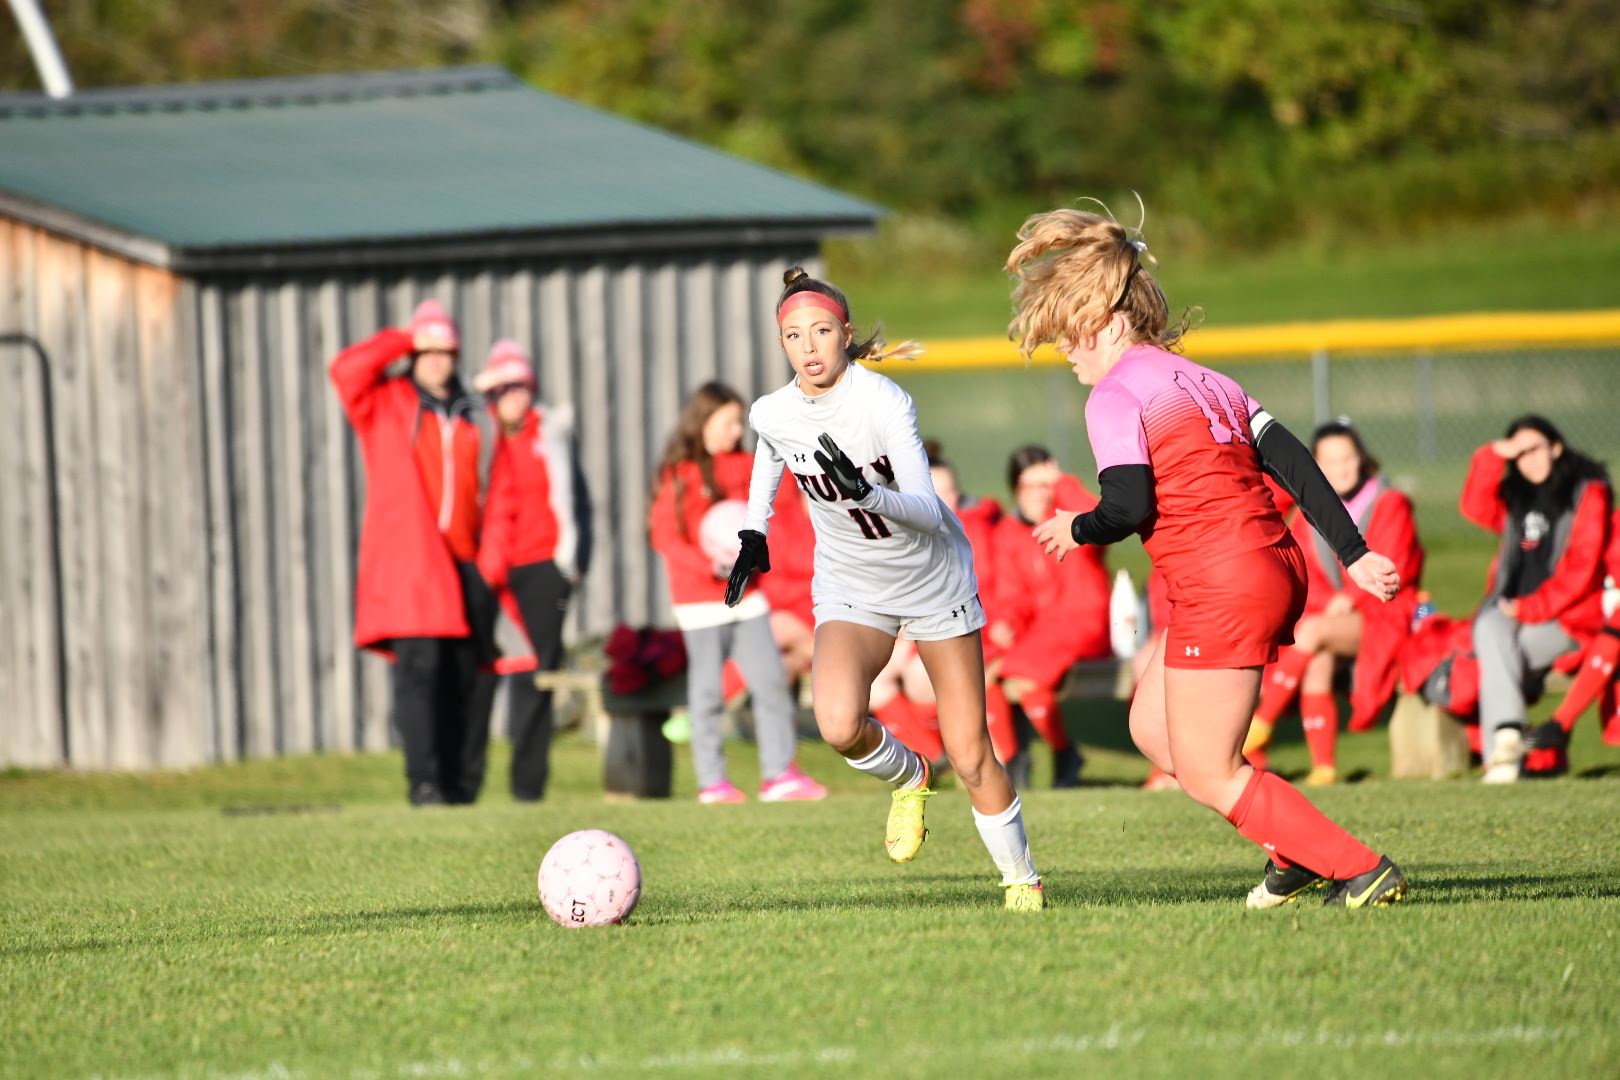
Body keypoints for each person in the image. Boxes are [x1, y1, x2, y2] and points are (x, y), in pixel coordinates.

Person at [1011, 204, 1407, 909]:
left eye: (1069, 334)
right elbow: (1291, 458)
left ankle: (1359, 868)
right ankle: (1294, 851)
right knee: (1151, 727)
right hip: (1264, 564)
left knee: (1206, 770)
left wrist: (1077, 529)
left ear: (1104, 321)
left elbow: (1126, 504)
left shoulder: (1114, 395)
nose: (1067, 351)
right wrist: (1351, 550)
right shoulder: (1204, 378)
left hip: (1221, 577)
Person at [726, 266, 1045, 911]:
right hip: (852, 585)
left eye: (821, 330)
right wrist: (754, 530)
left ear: (846, 335)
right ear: (781, 344)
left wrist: (868, 493)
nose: (809, 346)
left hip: (932, 580)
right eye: (793, 336)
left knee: (971, 749)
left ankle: (1022, 882)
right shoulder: (774, 410)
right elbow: (769, 448)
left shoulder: (883, 402)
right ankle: (911, 776)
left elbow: (929, 510)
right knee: (839, 723)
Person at [329, 300, 499, 806]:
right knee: (420, 674)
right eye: (428, 350)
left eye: (446, 349)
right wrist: (404, 337)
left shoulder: (472, 411)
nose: (438, 359)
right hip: (412, 559)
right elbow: (346, 369)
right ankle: (424, 783)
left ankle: (462, 787)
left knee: (468, 679)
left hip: (468, 558)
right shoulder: (385, 401)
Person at [649, 381, 827, 804]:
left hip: (749, 596)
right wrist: (707, 565)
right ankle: (713, 782)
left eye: (738, 422)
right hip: (700, 603)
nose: (735, 430)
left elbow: (786, 495)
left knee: (768, 682)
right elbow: (665, 537)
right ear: (704, 421)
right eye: (728, 421)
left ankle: (779, 774)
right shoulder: (681, 472)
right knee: (708, 692)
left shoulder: (750, 463)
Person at [1242, 420, 1425, 784]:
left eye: (1348, 458)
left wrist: (1351, 598)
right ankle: (1325, 767)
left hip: (1386, 615)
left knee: (1311, 633)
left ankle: (1261, 725)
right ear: (1316, 466)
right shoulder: (1310, 512)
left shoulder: (1389, 502)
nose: (1341, 468)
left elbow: (1395, 564)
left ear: (1362, 459)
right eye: (1329, 461)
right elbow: (1306, 574)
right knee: (1318, 662)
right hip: (1333, 623)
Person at [1459, 416, 1610, 782]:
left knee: (1501, 654)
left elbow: (1582, 568)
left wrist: (1532, 608)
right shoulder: (1516, 495)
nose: (1529, 459)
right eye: (1520, 453)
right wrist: (1493, 455)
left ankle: (1504, 756)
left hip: (1568, 618)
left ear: (1556, 448)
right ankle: (1511, 747)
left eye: (1536, 448)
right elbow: (1474, 507)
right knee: (1488, 626)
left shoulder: (1587, 492)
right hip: (1511, 609)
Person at [475, 340, 587, 803]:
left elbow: (572, 502)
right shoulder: (488, 441)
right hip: (494, 574)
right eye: (501, 389)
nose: (512, 396)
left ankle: (527, 788)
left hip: (543, 569)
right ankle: (466, 784)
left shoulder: (551, 435)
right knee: (486, 674)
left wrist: (568, 565)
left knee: (533, 678)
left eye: (518, 386)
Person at [868, 440, 1002, 767]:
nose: (943, 501)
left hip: (977, 630)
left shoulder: (980, 531)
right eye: (933, 492)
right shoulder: (906, 535)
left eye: (949, 491)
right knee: (873, 681)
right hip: (922, 631)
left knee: (919, 674)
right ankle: (931, 757)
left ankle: (987, 757)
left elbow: (994, 596)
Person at [987, 445, 1111, 787]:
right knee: (986, 671)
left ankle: (1063, 752)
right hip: (1042, 633)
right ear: (1015, 489)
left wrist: (1062, 481)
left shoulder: (1071, 518)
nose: (1039, 494)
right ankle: (1014, 762)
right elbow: (1013, 596)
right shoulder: (1008, 534)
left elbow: (1102, 522)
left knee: (1022, 676)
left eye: (1045, 485)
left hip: (1083, 623)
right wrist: (1008, 623)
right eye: (1030, 485)